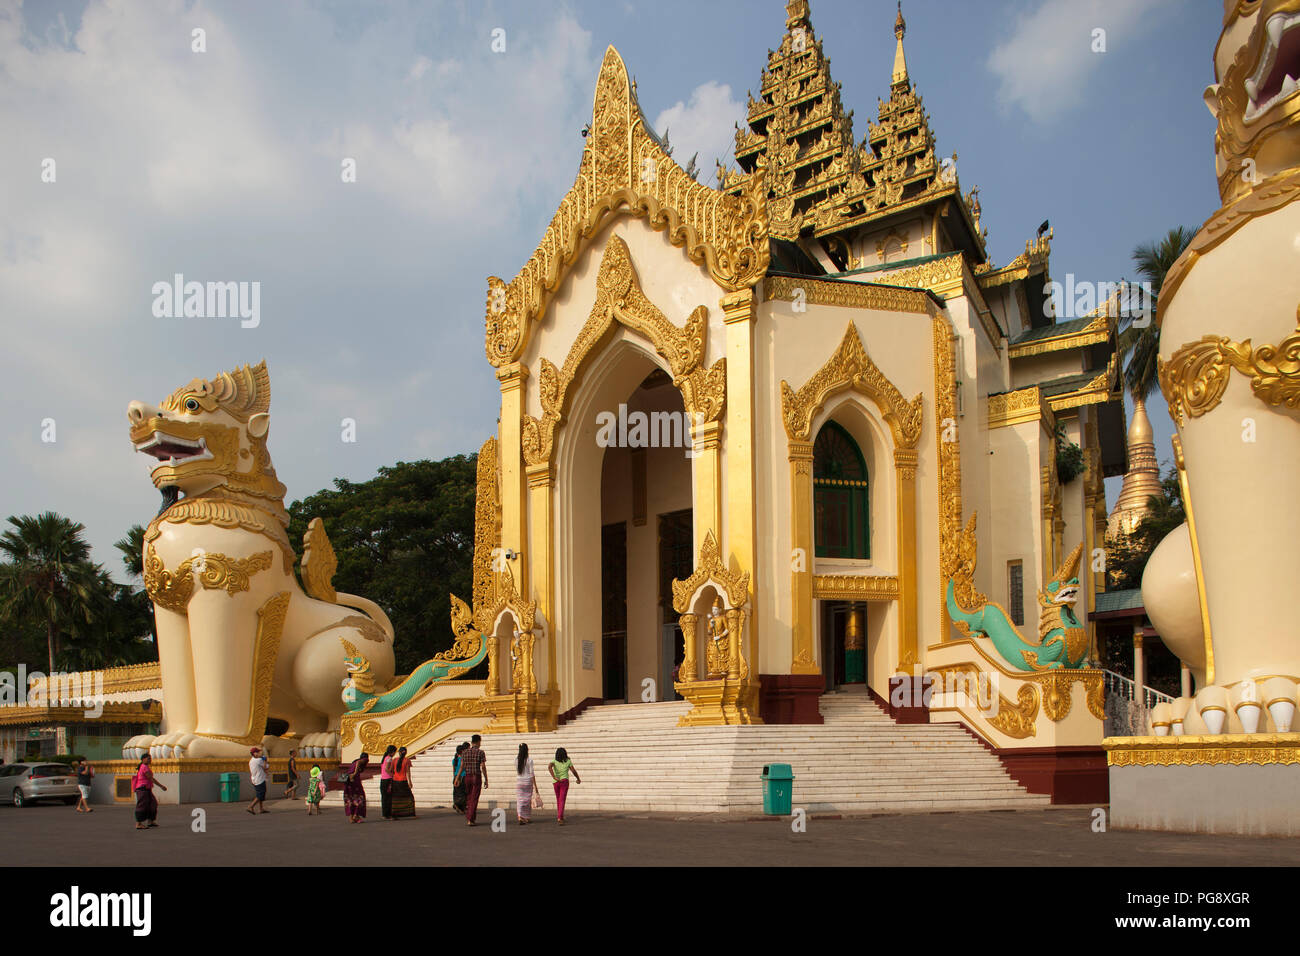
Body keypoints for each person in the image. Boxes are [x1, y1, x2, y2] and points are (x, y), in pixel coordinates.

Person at [455, 734, 488, 826]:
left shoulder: (465, 752)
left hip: (468, 777)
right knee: (474, 798)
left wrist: (457, 778)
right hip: (476, 776)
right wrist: (486, 778)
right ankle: (470, 818)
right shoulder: (480, 752)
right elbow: (483, 766)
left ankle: (470, 817)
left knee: (469, 797)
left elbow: (462, 766)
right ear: (478, 742)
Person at [132, 754, 167, 830]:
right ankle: (138, 823)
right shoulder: (144, 767)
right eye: (148, 759)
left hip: (147, 789)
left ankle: (150, 821)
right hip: (142, 789)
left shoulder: (145, 767)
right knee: (142, 805)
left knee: (153, 803)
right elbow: (151, 778)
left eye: (150, 759)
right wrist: (161, 786)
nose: (150, 760)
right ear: (143, 759)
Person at [548, 747, 581, 825]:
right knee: (562, 800)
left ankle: (560, 816)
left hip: (556, 782)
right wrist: (578, 778)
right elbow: (573, 771)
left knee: (558, 799)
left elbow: (549, 767)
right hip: (564, 781)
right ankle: (560, 817)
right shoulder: (568, 761)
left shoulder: (554, 761)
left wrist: (554, 777)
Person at [515, 744, 539, 825]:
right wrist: (535, 786)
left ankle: (520, 816)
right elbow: (532, 773)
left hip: (519, 781)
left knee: (520, 800)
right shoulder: (529, 760)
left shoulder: (516, 760)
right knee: (527, 800)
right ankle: (527, 817)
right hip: (528, 781)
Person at [390, 747, 417, 819]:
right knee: (409, 797)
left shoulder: (394, 760)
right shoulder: (407, 760)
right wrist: (410, 782)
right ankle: (411, 814)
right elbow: (408, 772)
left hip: (395, 781)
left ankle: (395, 815)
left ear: (399, 752)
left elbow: (390, 770)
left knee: (396, 798)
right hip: (403, 781)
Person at [342, 752, 369, 823]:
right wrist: (355, 773)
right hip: (354, 783)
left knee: (351, 799)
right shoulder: (360, 761)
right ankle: (356, 815)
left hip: (349, 784)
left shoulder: (353, 763)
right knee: (360, 798)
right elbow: (359, 763)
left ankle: (351, 817)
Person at [247, 747, 269, 815]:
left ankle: (261, 808)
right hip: (260, 779)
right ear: (254, 753)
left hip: (255, 779)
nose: (259, 753)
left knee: (260, 794)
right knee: (260, 795)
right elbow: (266, 767)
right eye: (258, 752)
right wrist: (265, 761)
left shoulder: (251, 761)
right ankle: (251, 806)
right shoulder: (259, 760)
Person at [378, 744, 397, 820]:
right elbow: (387, 769)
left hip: (383, 779)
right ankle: (388, 815)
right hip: (388, 779)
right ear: (392, 752)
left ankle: (384, 814)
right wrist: (392, 775)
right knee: (389, 798)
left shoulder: (384, 758)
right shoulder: (389, 758)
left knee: (384, 797)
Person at [451, 742, 468, 814]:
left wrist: (455, 778)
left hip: (455, 776)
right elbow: (462, 768)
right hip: (462, 776)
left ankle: (459, 807)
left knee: (456, 792)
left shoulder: (454, 760)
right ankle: (458, 805)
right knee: (463, 793)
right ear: (462, 751)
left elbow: (454, 770)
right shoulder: (463, 759)